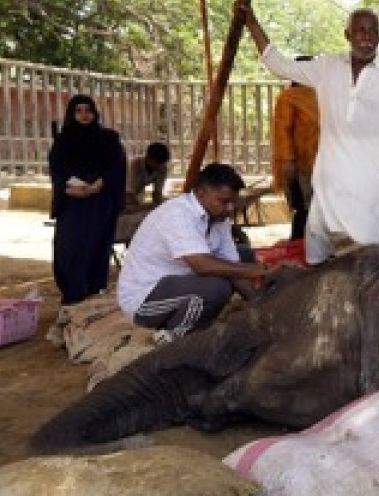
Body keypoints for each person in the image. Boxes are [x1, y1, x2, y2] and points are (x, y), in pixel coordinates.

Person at [239, 5, 379, 263]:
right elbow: (279, 65)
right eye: (360, 31)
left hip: (376, 183)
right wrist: (252, 24)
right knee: (320, 244)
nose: (366, 36)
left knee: (376, 252)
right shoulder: (327, 68)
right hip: (331, 180)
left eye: (372, 31)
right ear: (347, 35)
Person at [117, 163, 270, 344]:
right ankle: (173, 336)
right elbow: (201, 265)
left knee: (241, 257)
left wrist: (263, 304)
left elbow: (233, 267)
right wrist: (261, 271)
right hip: (144, 299)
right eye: (224, 201)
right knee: (217, 288)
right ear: (202, 193)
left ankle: (194, 323)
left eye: (233, 202)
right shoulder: (178, 214)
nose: (230, 208)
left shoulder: (218, 218)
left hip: (176, 285)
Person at [48, 94, 126, 306]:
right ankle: (73, 294)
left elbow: (117, 167)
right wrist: (70, 188)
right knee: (70, 249)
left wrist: (97, 186)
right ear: (72, 114)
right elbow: (56, 170)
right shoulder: (63, 141)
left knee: (95, 247)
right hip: (73, 203)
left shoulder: (108, 139)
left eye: (88, 110)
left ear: (95, 113)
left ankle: (92, 292)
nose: (84, 115)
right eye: (78, 111)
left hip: (99, 204)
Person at [271, 81, 320, 241]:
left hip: (320, 163)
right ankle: (301, 246)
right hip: (300, 164)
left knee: (312, 210)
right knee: (305, 210)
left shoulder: (321, 94)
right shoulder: (289, 98)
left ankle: (310, 246)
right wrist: (287, 160)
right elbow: (282, 132)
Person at [125, 142, 170, 208]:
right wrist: (140, 207)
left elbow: (157, 193)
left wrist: (160, 205)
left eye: (162, 163)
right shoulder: (135, 165)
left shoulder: (162, 168)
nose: (160, 166)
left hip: (136, 196)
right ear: (148, 158)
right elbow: (129, 193)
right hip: (122, 195)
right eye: (157, 163)